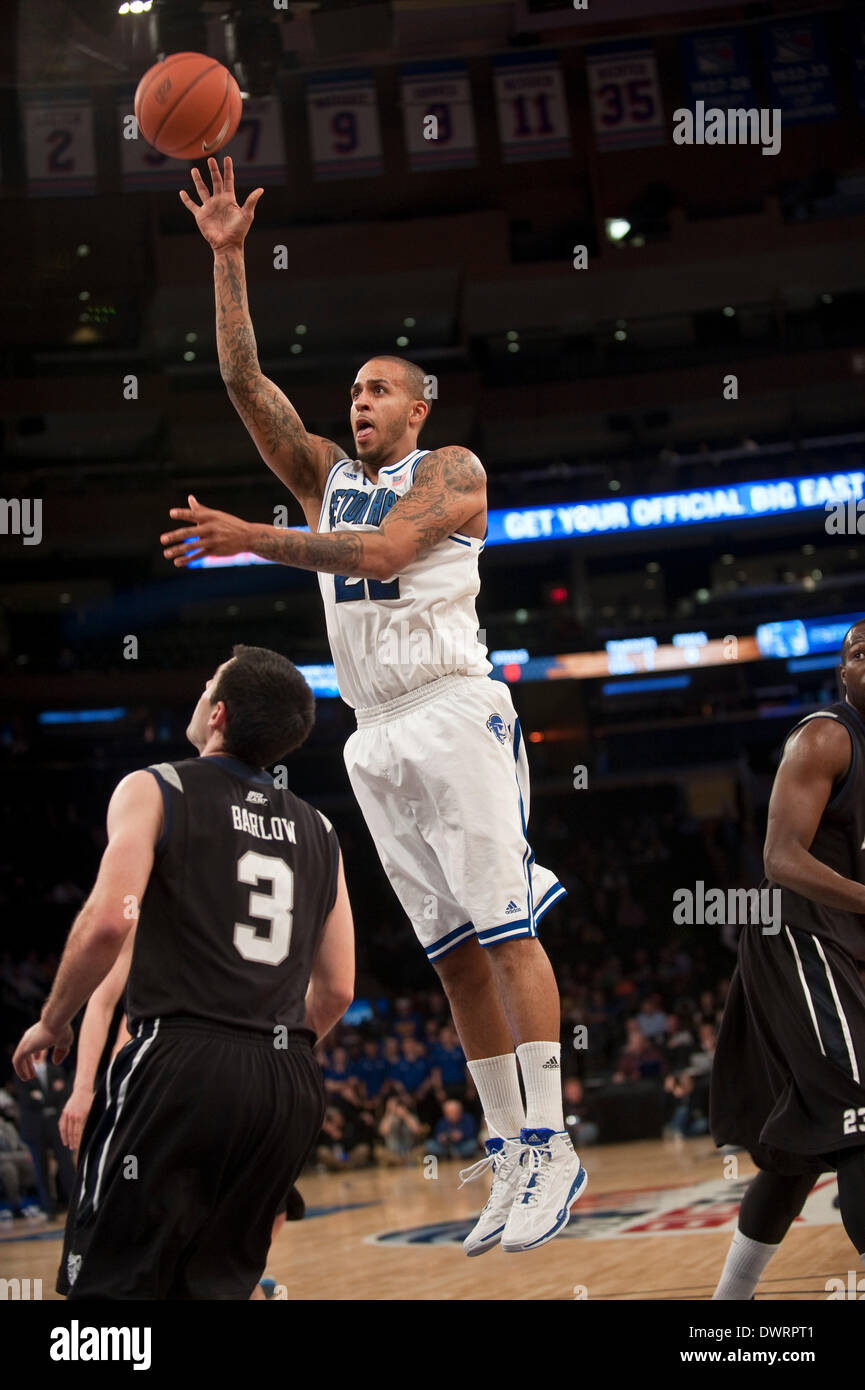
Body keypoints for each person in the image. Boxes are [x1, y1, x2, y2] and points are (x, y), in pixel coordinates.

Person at [161, 154, 581, 1259]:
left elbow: (390, 551)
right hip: (373, 732)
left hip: (453, 707)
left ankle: (552, 1139)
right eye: (350, 390)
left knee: (506, 928)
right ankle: (503, 1152)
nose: (357, 402)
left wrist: (253, 539)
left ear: (419, 405)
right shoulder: (320, 473)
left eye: (375, 388)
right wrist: (229, 262)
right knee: (449, 954)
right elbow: (246, 385)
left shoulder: (452, 470)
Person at [12, 645, 354, 1300]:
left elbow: (109, 921)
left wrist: (52, 1019)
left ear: (217, 714)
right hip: (285, 1082)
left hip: (179, 1063)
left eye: (206, 687)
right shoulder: (320, 830)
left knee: (109, 1302)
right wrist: (262, 1041)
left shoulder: (156, 787)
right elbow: (337, 988)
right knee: (217, 1287)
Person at [711, 619, 865, 1300]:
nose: (864, 659)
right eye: (855, 652)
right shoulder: (825, 737)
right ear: (841, 673)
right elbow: (778, 860)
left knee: (799, 1148)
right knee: (862, 1114)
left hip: (842, 946)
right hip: (795, 938)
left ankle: (727, 1309)